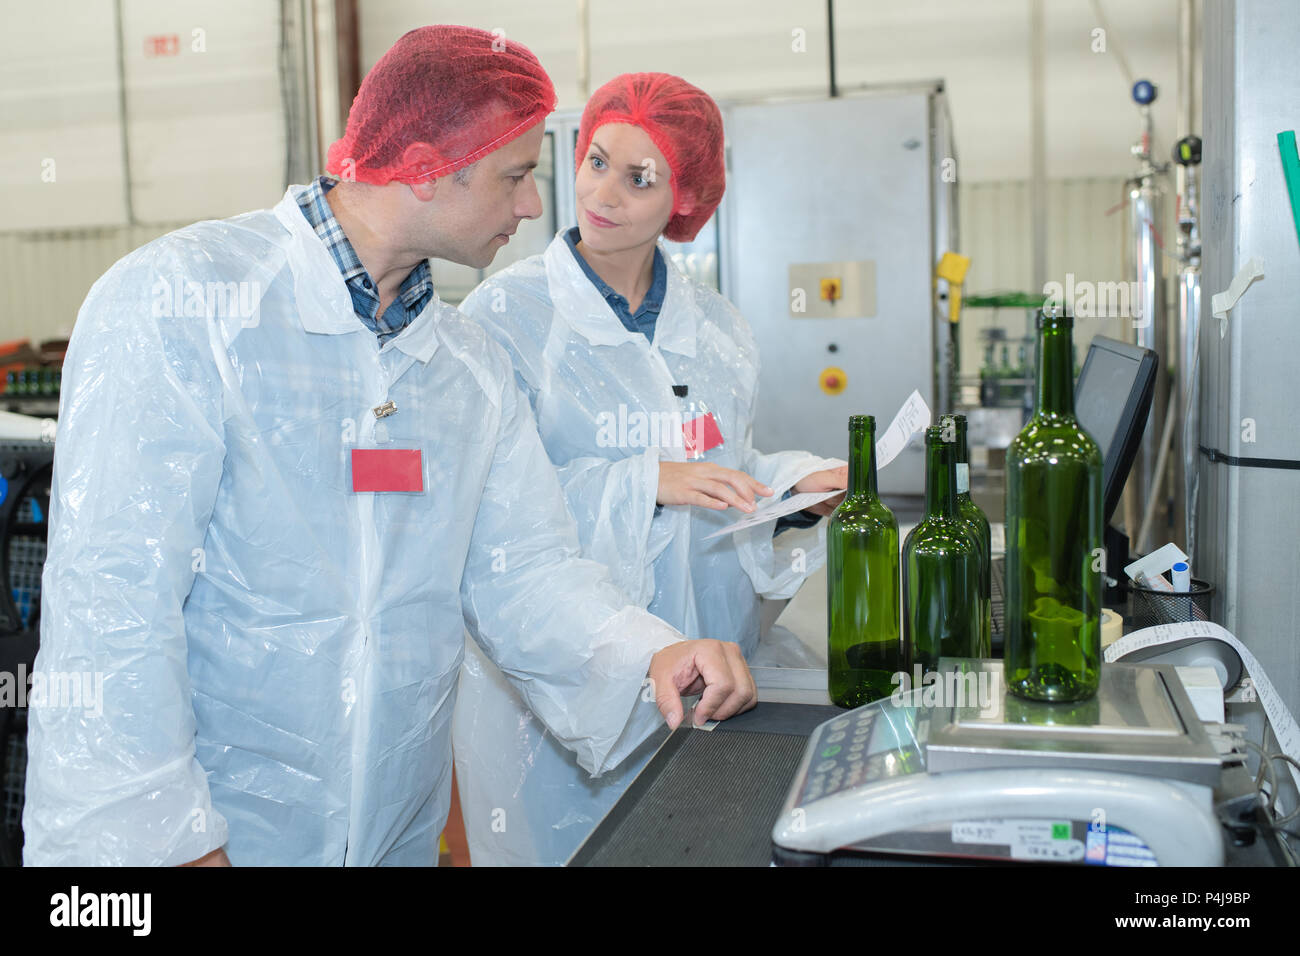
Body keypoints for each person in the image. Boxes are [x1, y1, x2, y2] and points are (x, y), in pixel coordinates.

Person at [22, 28, 755, 868]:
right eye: (517, 176)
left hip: (394, 831)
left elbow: (525, 571)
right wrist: (161, 842)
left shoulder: (468, 371)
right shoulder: (189, 305)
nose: (531, 207)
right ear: (424, 163)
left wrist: (649, 653)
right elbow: (112, 602)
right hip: (217, 833)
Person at [453, 73, 846, 866]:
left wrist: (792, 486)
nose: (604, 194)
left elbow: (724, 462)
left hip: (708, 659)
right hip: (555, 691)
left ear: (686, 197)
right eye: (596, 161)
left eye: (640, 179)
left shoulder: (718, 326)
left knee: (698, 840)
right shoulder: (505, 319)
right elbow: (479, 515)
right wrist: (643, 480)